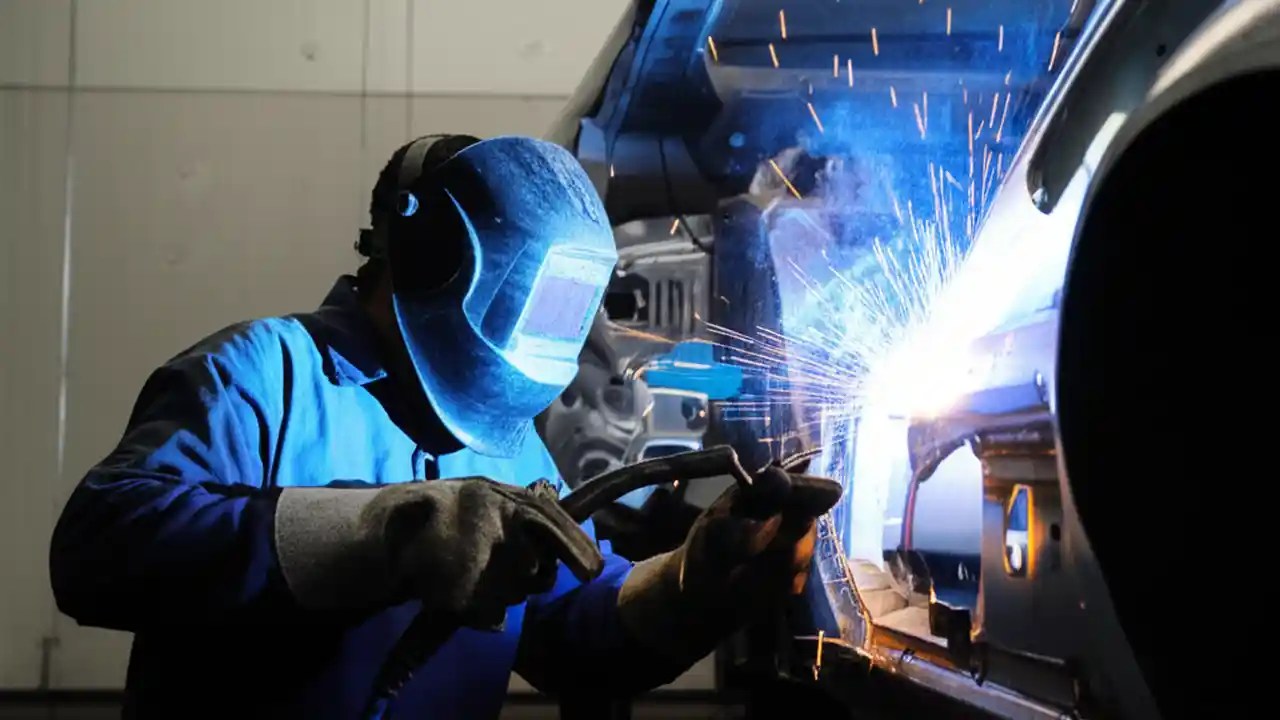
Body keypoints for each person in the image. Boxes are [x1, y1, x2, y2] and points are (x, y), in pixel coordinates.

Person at [49, 134, 839, 719]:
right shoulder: (264, 374)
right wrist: (377, 535)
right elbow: (97, 547)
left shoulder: (511, 445)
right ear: (425, 254)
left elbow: (572, 632)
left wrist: (693, 582)